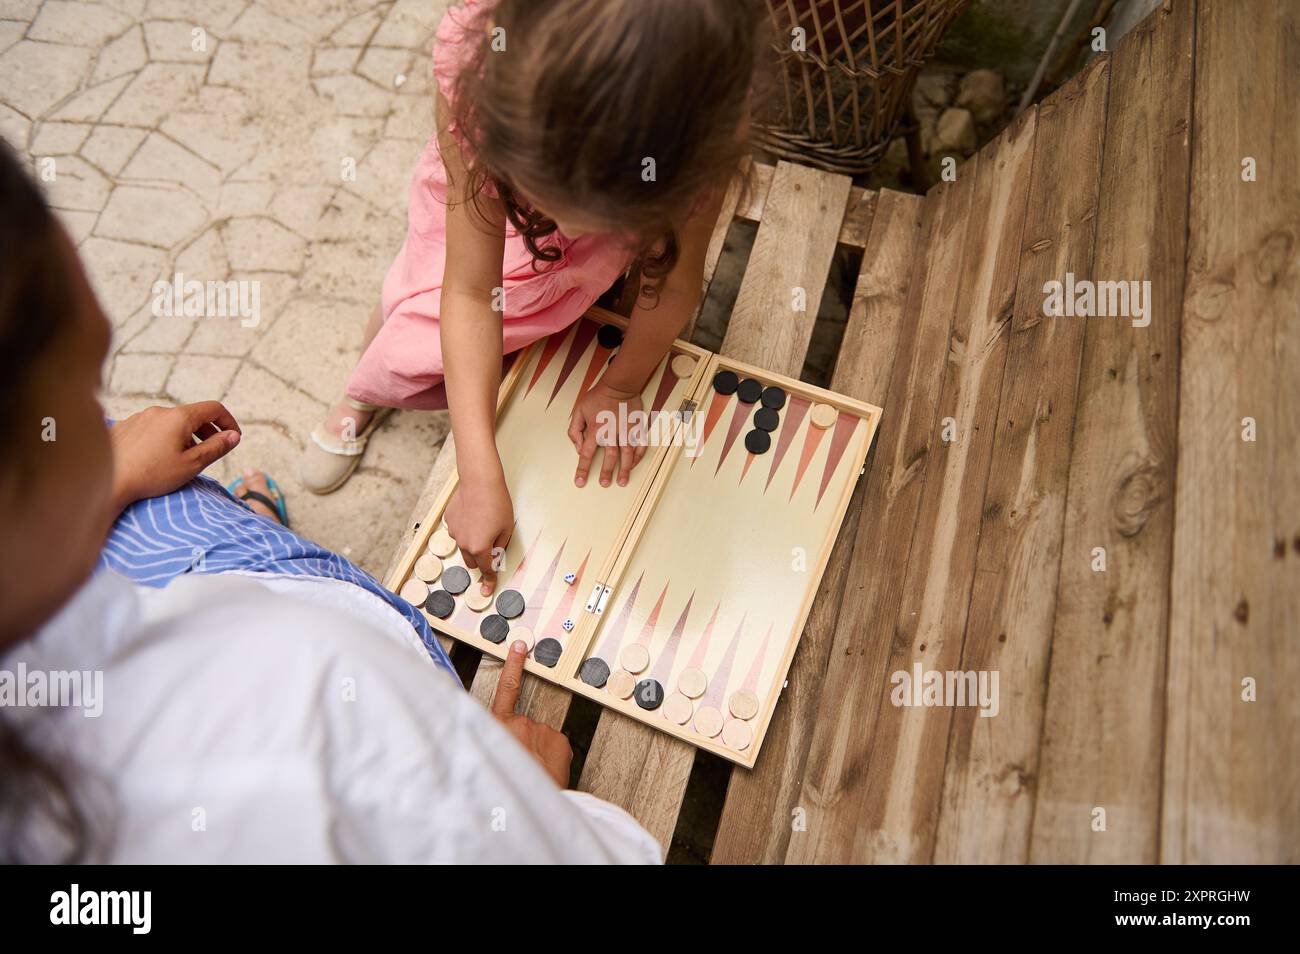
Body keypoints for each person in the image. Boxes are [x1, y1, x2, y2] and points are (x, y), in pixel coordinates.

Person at [0, 140, 659, 864]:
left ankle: (255, 525)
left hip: (176, 579)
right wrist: (524, 799)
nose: (108, 425)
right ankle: (257, 525)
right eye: (85, 392)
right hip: (328, 657)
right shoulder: (323, 694)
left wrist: (114, 480)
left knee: (206, 514)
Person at [300, 0, 759, 597]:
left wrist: (621, 383)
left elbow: (673, 281)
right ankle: (365, 388)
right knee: (412, 292)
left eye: (596, 219)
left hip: (566, 203)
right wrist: (477, 466)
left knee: (550, 296)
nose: (567, 229)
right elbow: (468, 289)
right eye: (556, 206)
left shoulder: (699, 127)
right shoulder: (482, 81)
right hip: (480, 205)